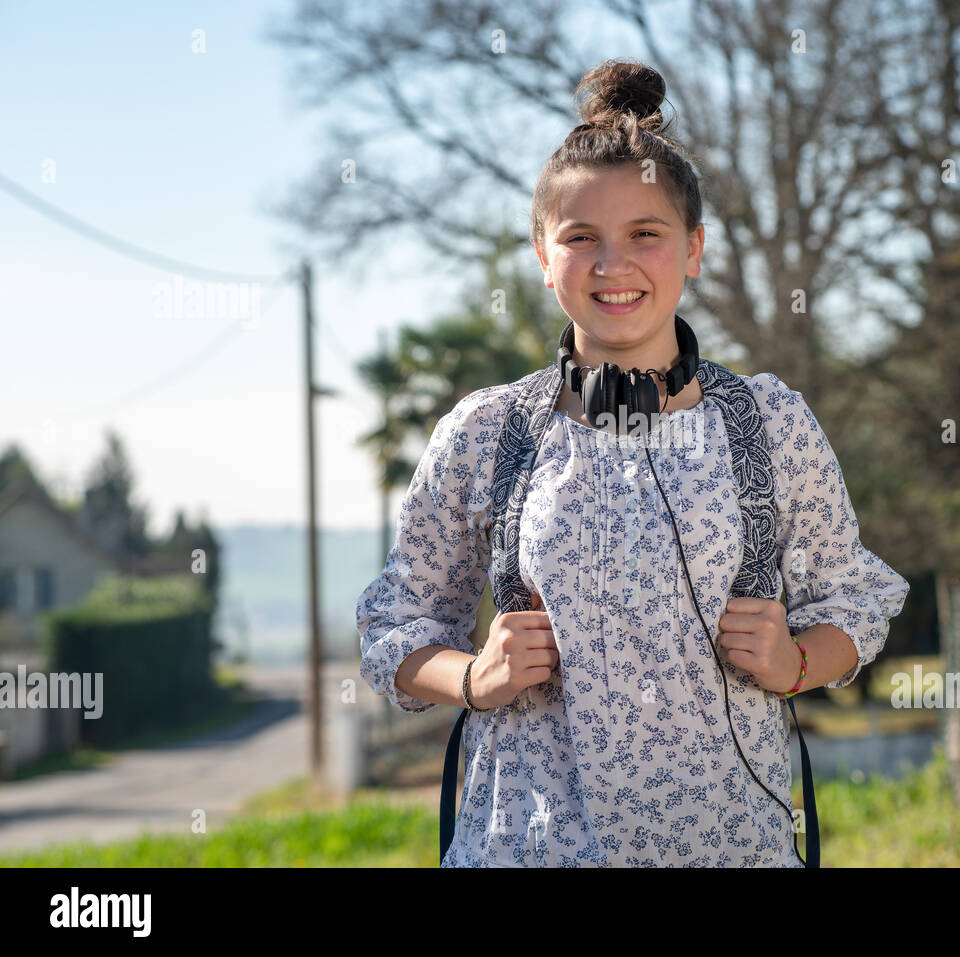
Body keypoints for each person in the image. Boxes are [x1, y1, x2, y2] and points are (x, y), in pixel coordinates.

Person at [356, 58, 910, 867]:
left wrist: (795, 661)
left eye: (645, 234)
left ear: (693, 249)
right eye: (581, 239)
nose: (613, 266)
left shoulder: (769, 423)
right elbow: (391, 624)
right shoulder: (487, 431)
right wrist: (476, 675)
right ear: (545, 258)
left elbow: (855, 600)